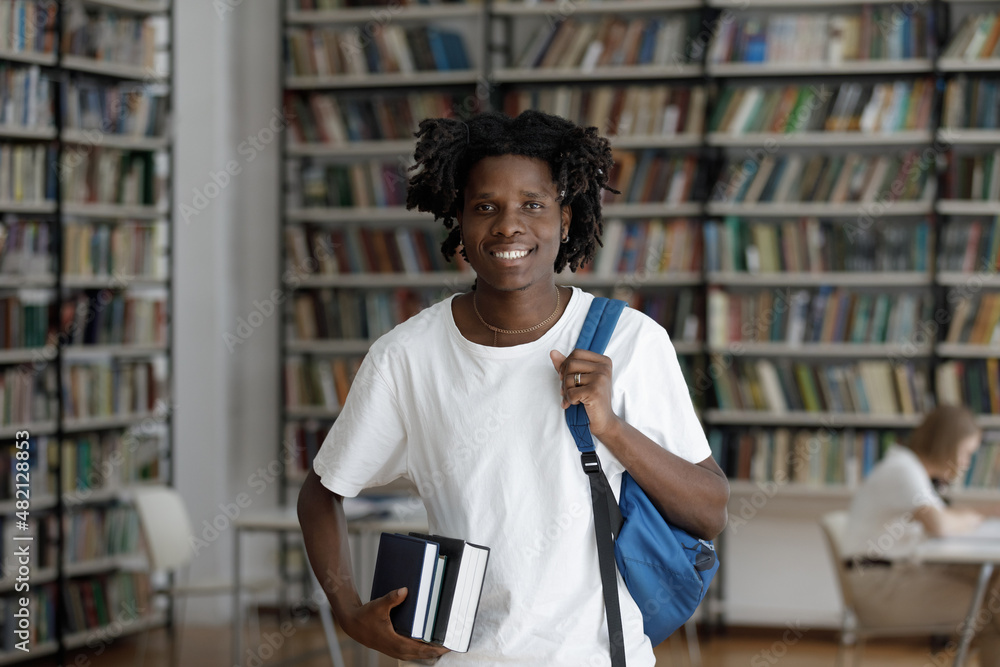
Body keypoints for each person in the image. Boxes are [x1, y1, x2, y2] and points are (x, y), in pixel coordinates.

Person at [296, 109, 729, 666]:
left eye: (532, 204)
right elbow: (323, 492)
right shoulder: (407, 356)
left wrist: (612, 429)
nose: (508, 225)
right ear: (460, 223)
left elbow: (711, 511)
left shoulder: (631, 341)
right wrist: (347, 609)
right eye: (485, 207)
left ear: (565, 220)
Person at [841, 404, 1000, 662]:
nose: (966, 463)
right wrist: (980, 515)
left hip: (895, 576)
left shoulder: (910, 469)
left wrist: (983, 512)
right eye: (966, 453)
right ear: (948, 445)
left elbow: (945, 518)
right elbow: (941, 525)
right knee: (995, 607)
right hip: (883, 591)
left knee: (995, 580)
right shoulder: (903, 470)